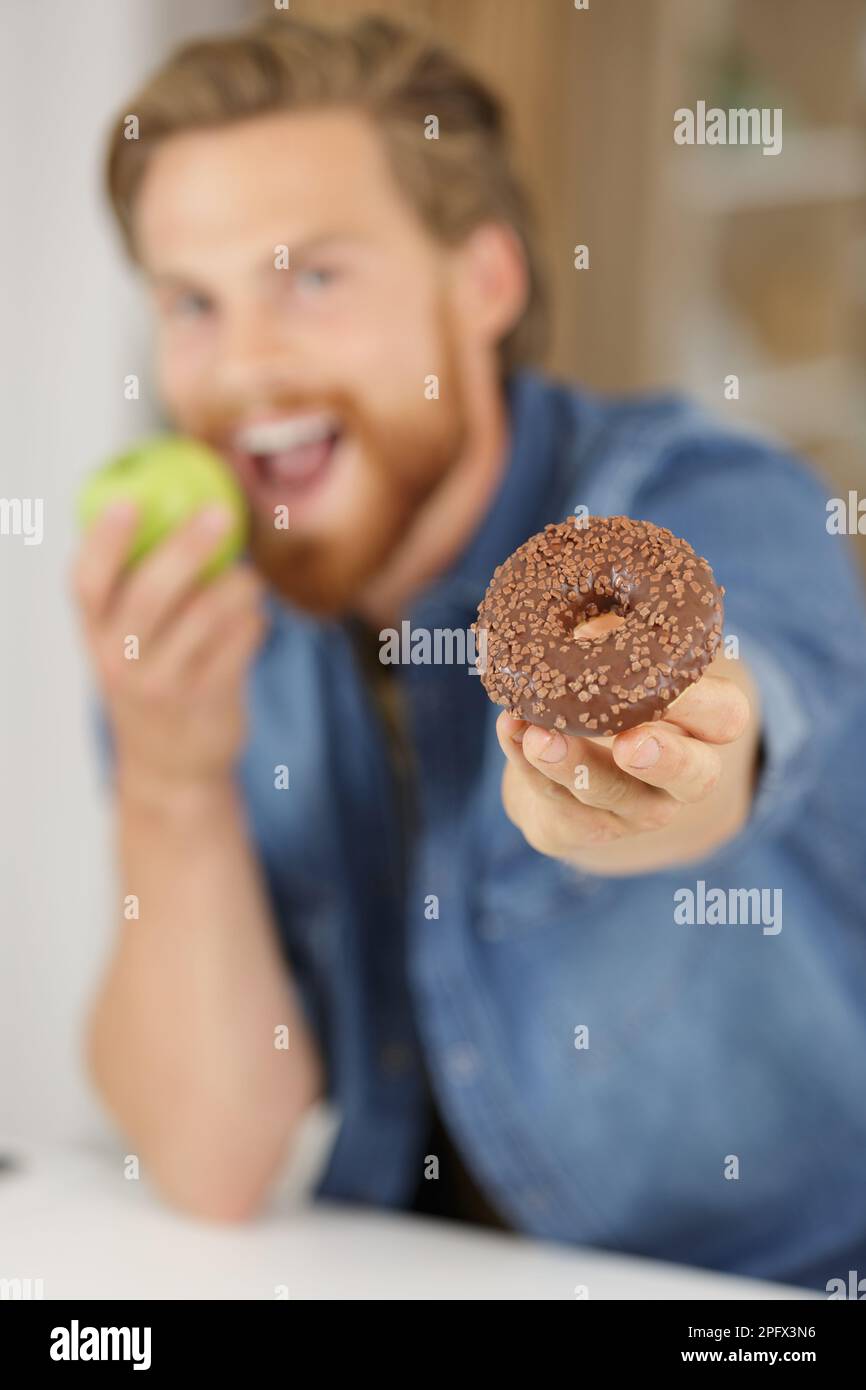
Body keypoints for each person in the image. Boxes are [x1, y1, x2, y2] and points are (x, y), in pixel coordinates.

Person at [73, 13, 866, 1290]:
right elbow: (211, 1158)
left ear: (482, 282)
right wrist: (170, 782)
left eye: (311, 278)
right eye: (191, 302)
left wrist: (641, 777)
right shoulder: (202, 619)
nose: (243, 366)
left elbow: (737, 726)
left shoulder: (702, 499)